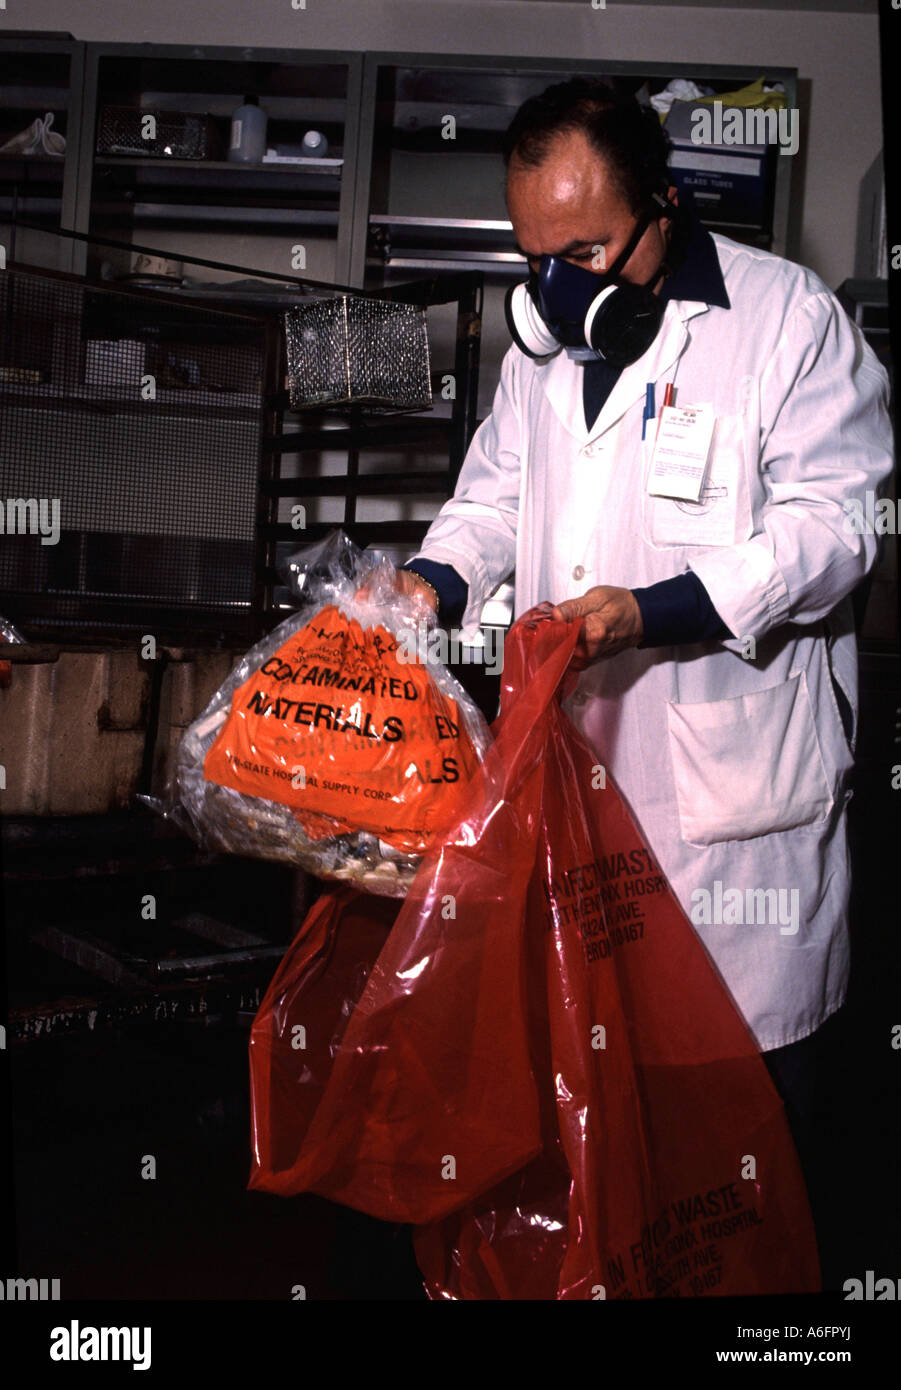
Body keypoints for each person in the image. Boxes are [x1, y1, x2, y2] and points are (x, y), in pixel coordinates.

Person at [394, 78, 893, 1287]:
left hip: (732, 836)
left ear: (663, 206)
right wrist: (431, 584)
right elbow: (493, 497)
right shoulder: (547, 347)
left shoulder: (786, 321)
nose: (555, 288)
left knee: (737, 1163)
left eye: (582, 251)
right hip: (575, 805)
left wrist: (651, 610)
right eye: (532, 256)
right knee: (599, 1131)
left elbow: (840, 527)